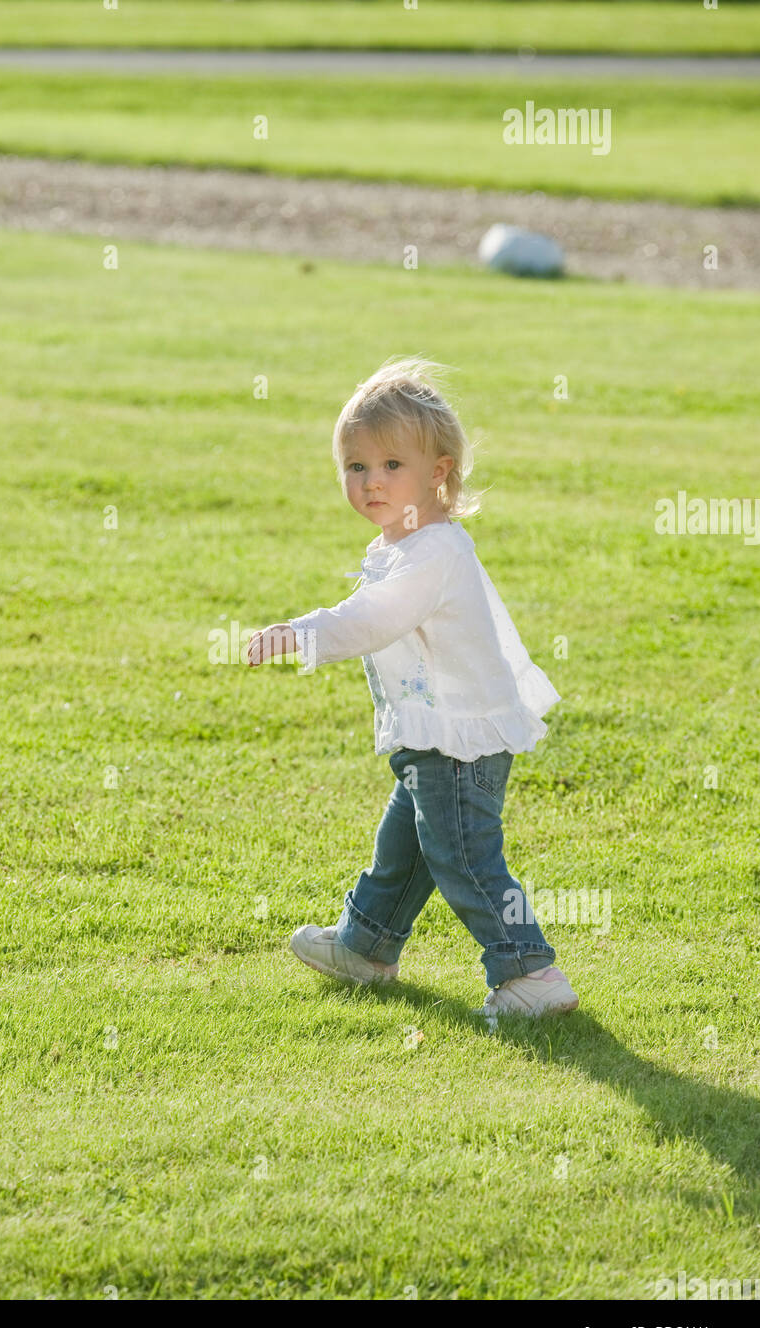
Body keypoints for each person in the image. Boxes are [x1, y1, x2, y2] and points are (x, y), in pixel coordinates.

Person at [246, 356, 578, 1018]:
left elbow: (375, 618)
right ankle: (366, 945)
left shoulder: (433, 554)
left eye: (390, 465)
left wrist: (301, 632)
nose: (370, 481)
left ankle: (529, 975)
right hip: (437, 737)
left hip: (460, 740)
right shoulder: (407, 544)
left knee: (462, 857)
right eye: (355, 466)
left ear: (437, 473)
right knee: (406, 846)